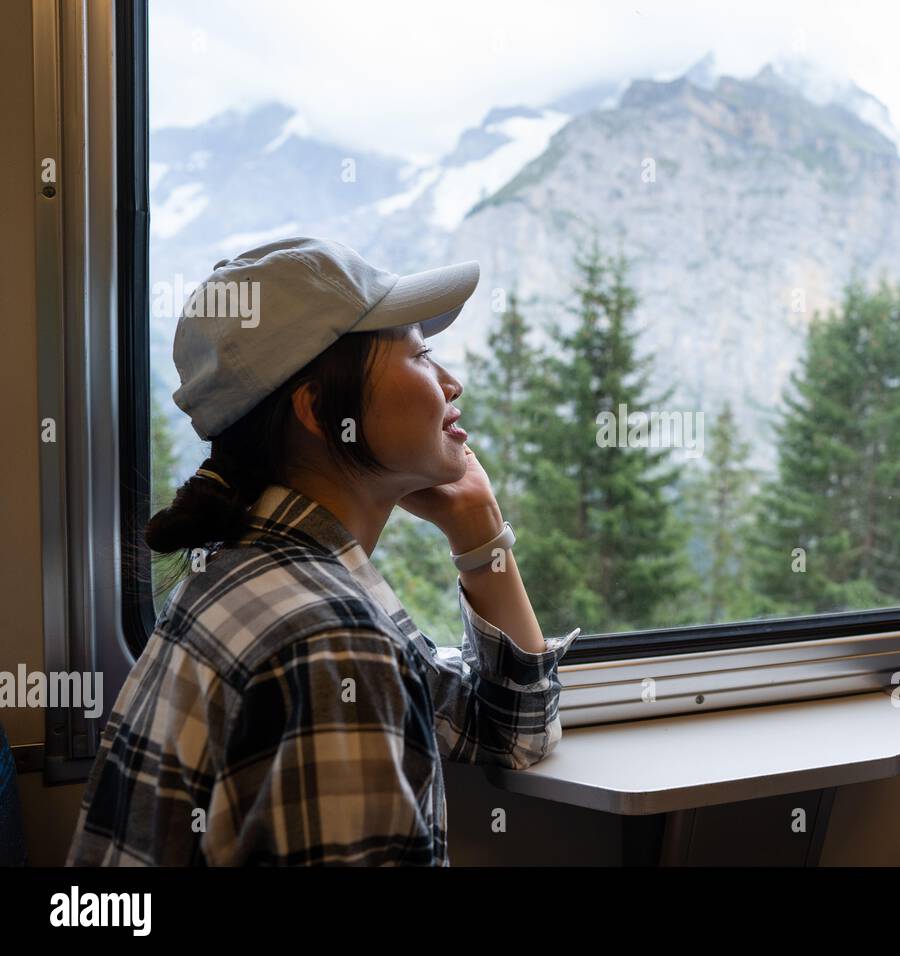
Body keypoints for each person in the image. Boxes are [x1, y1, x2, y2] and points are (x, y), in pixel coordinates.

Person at [66, 237, 579, 866]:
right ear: (316, 409)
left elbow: (512, 733)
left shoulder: (258, 572)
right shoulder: (331, 639)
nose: (453, 383)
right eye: (421, 356)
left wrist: (479, 528)